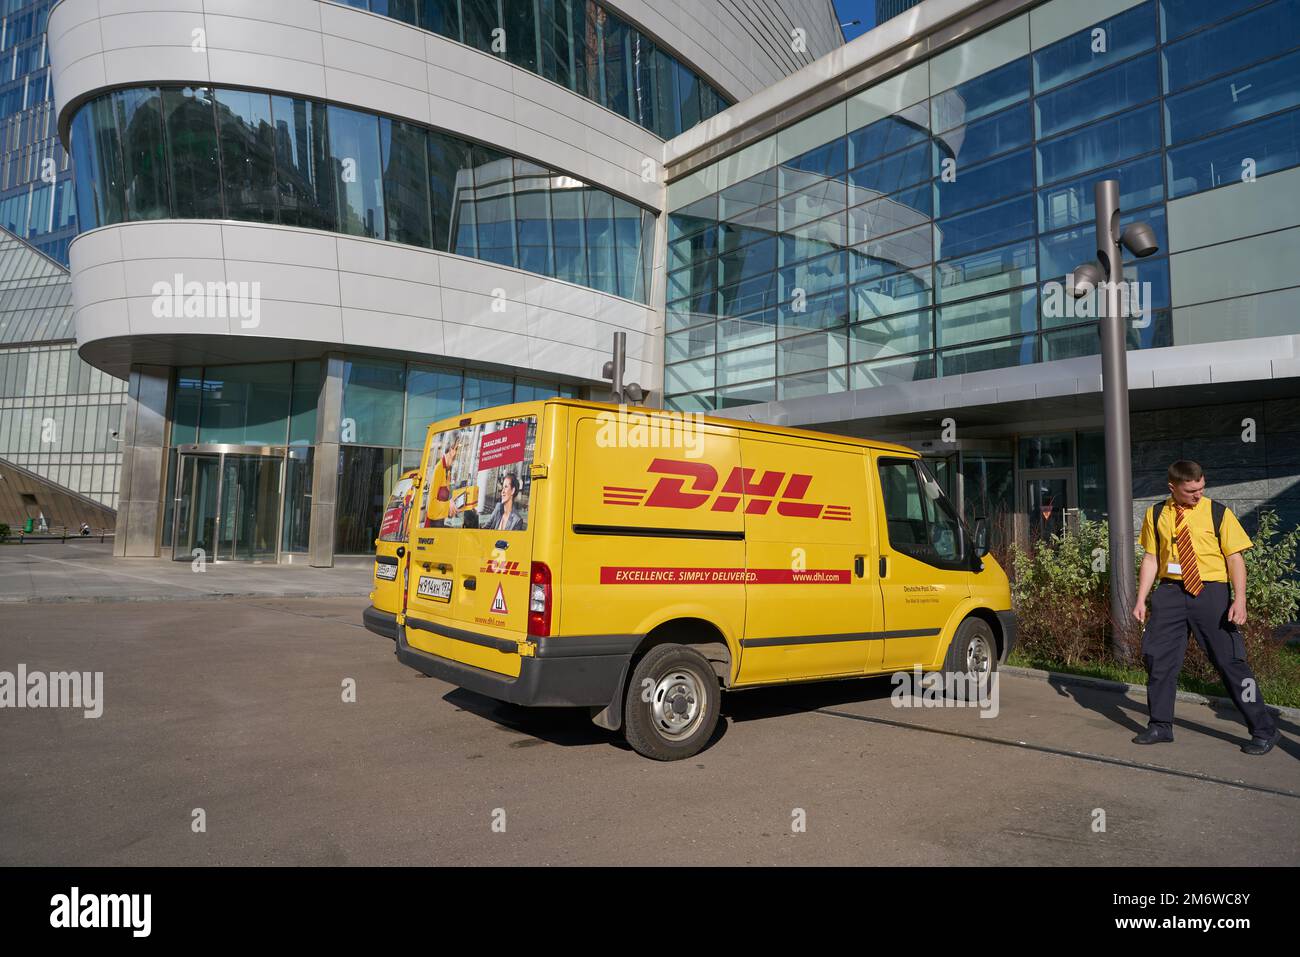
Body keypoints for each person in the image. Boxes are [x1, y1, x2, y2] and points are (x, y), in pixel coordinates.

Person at [1131, 460, 1280, 754]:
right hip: (1170, 592)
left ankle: (1264, 729)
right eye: (1190, 491)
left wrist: (1239, 599)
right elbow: (1151, 558)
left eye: (1201, 488)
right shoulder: (1156, 513)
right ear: (1172, 487)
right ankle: (1160, 725)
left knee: (1230, 662)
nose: (1198, 494)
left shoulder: (1217, 513)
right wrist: (1141, 598)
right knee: (1159, 661)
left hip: (1211, 593)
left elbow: (1235, 559)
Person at [424, 437, 460, 527]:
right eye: (456, 449)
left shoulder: (447, 471)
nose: (457, 453)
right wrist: (448, 505)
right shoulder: (438, 469)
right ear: (451, 450)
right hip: (433, 526)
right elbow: (431, 507)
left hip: (441, 523)